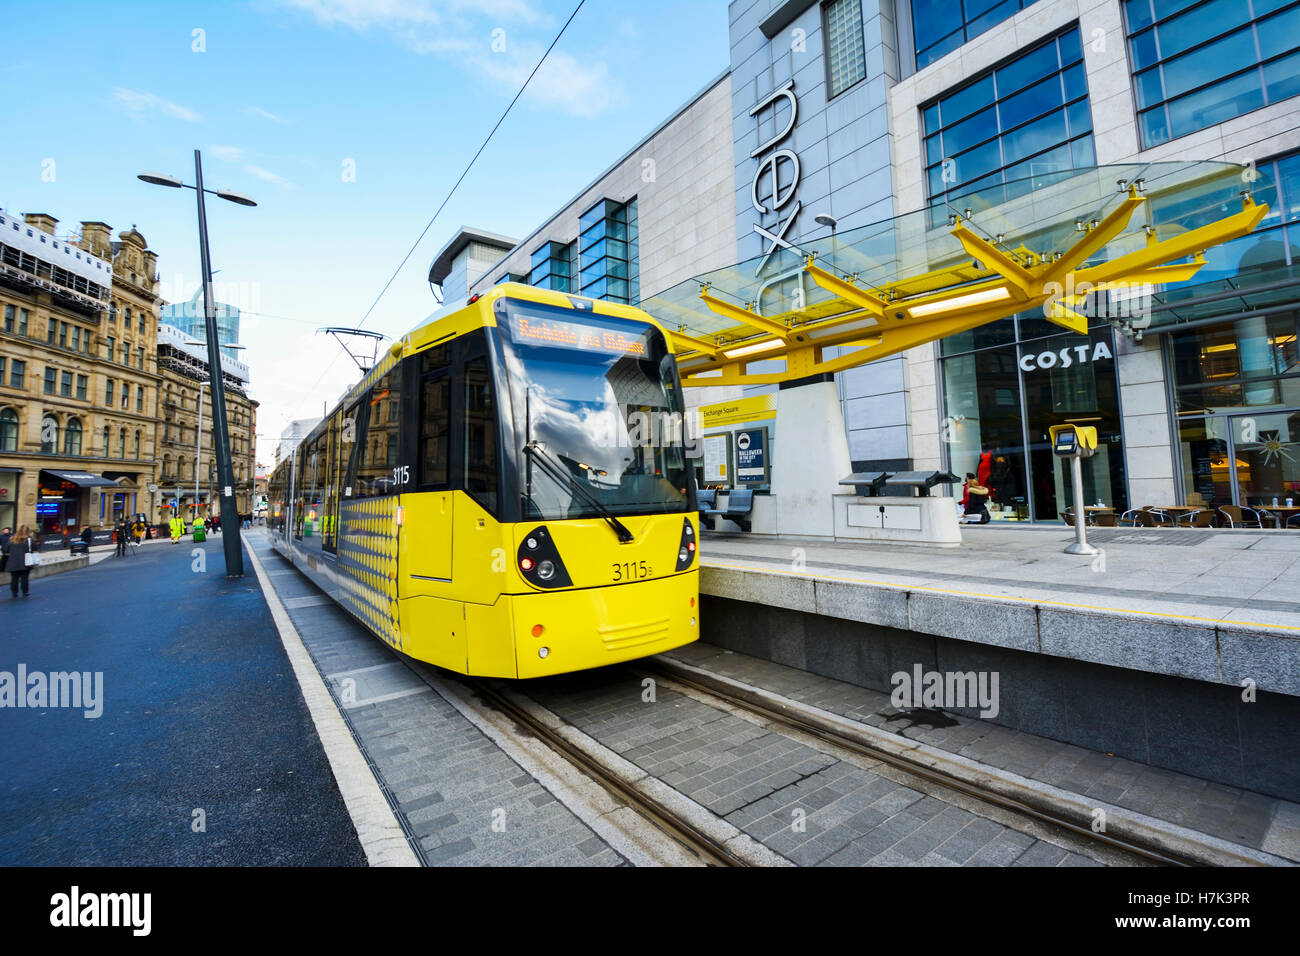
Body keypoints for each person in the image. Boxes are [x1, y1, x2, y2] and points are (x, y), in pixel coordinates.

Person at [4, 525, 36, 597]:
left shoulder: (12, 539)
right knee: (24, 578)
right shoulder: (29, 540)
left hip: (13, 562)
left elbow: (6, 550)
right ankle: (25, 591)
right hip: (25, 561)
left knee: (14, 578)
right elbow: (34, 548)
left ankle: (14, 592)